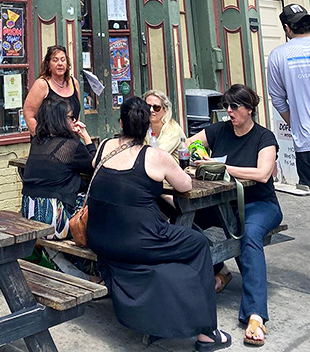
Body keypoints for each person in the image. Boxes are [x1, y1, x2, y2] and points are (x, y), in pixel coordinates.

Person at [86, 97, 231, 351]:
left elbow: (94, 165)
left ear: (120, 123)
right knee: (198, 242)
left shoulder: (105, 146)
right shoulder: (155, 156)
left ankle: (167, 302)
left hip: (99, 238)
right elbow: (185, 186)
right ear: (147, 127)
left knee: (168, 239)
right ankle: (206, 332)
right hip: (138, 241)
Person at [190, 84, 282, 347]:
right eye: (226, 106)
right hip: (224, 204)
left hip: (260, 204)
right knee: (184, 222)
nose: (228, 111)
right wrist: (197, 153)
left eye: (234, 106)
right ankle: (219, 269)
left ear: (249, 109)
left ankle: (256, 316)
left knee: (250, 236)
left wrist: (222, 167)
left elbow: (262, 174)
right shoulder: (220, 130)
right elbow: (189, 144)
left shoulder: (264, 137)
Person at [21, 95, 95, 275]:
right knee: (97, 199)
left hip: (29, 217)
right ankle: (94, 268)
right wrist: (86, 137)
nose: (74, 121)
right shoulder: (71, 146)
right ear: (59, 119)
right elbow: (95, 165)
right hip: (55, 225)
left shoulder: (37, 142)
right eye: (71, 117)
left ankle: (74, 270)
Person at [267, 3, 310, 189]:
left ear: (286, 28)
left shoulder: (278, 55)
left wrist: (295, 122)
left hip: (307, 140)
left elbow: (277, 98)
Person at [23, 45, 80, 136]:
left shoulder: (74, 83)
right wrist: (40, 138)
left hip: (71, 140)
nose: (60, 63)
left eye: (63, 60)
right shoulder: (42, 84)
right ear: (48, 64)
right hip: (48, 141)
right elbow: (28, 115)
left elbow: (77, 114)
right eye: (55, 60)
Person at [143, 89, 186, 161]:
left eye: (156, 107)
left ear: (165, 110)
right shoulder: (144, 128)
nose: (151, 110)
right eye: (147, 107)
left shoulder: (172, 129)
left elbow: (158, 155)